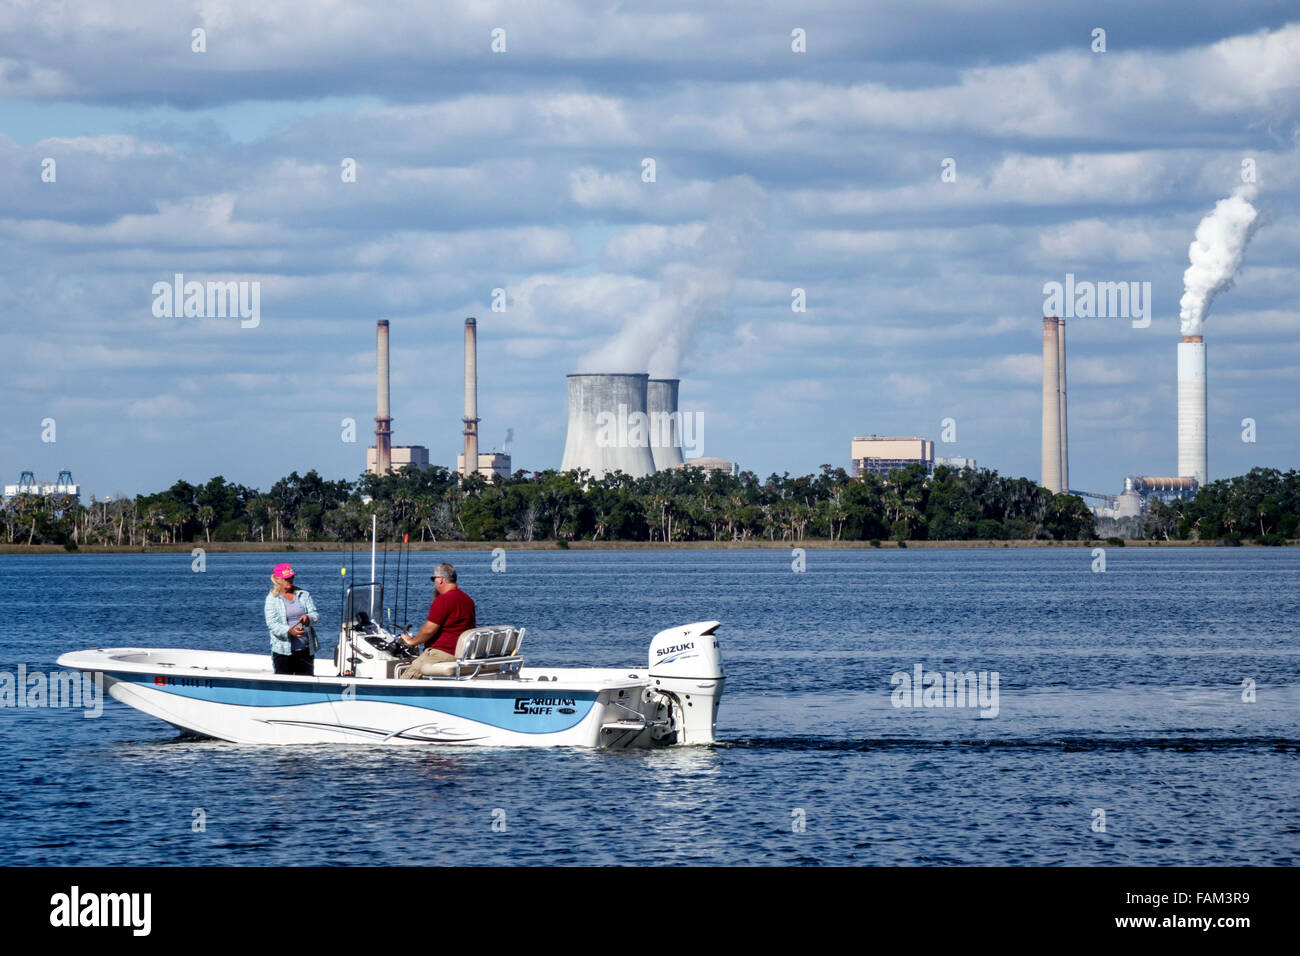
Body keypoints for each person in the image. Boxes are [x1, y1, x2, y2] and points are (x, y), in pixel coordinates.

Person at [399, 562, 476, 679]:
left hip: (442, 653)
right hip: (461, 653)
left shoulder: (444, 599)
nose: (433, 582)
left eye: (433, 578)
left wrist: (412, 642)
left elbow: (429, 630)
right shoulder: (467, 599)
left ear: (440, 580)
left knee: (405, 679)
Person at [264, 563, 320, 675]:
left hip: (305, 650)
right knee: (283, 687)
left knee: (306, 685)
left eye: (291, 577)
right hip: (282, 651)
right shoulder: (272, 599)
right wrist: (289, 631)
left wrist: (308, 618)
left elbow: (315, 615)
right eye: (286, 578)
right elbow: (272, 624)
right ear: (277, 579)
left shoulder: (304, 595)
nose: (290, 580)